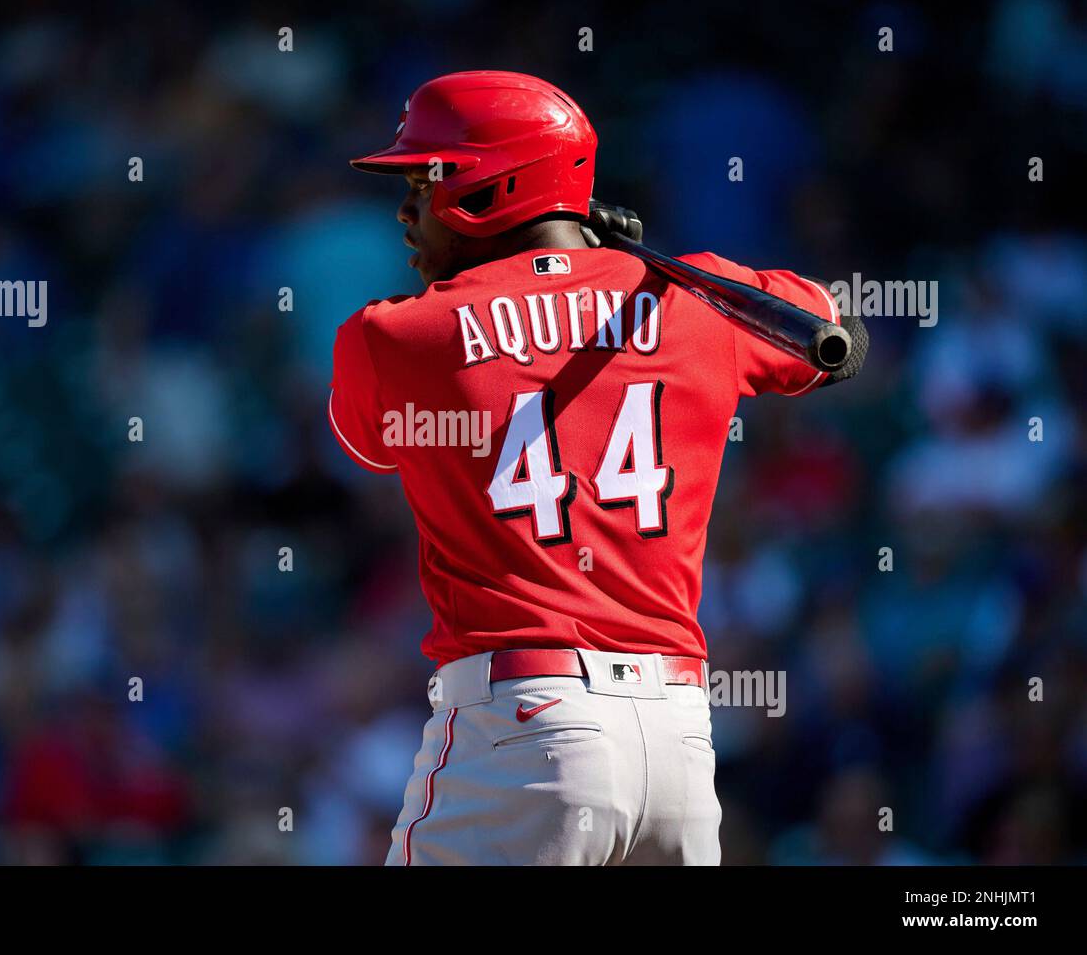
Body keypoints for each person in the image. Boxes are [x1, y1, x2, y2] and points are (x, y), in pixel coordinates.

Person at [330, 70, 867, 865]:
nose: (407, 211)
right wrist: (628, 272)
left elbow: (371, 444)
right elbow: (837, 337)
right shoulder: (696, 300)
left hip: (522, 731)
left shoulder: (397, 336)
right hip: (681, 746)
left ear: (495, 188)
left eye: (428, 180)